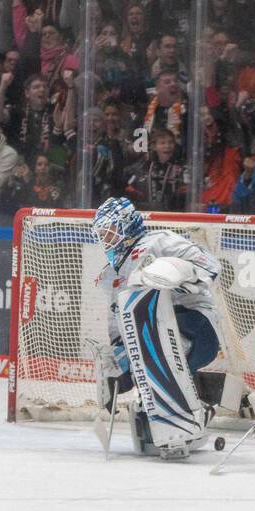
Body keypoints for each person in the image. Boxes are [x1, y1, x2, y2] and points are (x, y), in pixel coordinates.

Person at [92, 196, 223, 459]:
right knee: (120, 368)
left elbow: (210, 266)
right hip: (149, 334)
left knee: (159, 347)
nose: (105, 240)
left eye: (110, 232)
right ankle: (189, 406)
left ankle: (189, 411)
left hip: (195, 323)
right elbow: (117, 318)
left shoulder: (160, 241)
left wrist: (177, 275)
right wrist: (118, 359)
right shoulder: (110, 274)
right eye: (101, 234)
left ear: (127, 225)